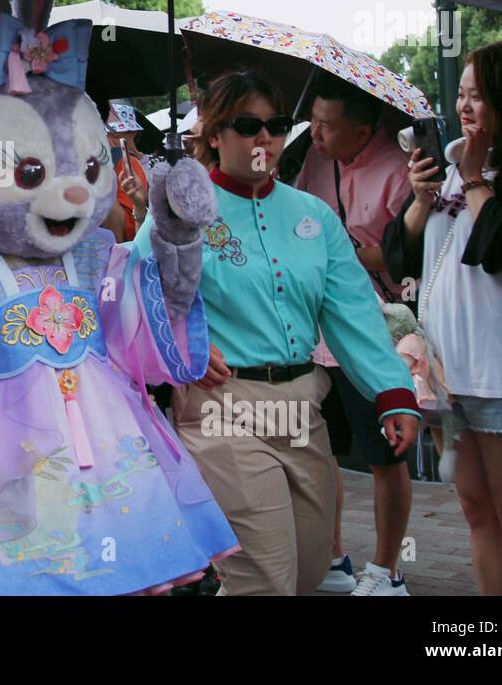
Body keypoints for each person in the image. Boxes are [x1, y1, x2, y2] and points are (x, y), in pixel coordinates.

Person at [170, 69, 420, 596]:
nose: (264, 138)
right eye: (247, 125)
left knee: (309, 572)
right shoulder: (182, 212)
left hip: (304, 408)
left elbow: (353, 310)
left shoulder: (314, 216)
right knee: (264, 577)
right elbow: (140, 299)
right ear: (215, 134)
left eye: (277, 125)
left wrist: (392, 392)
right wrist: (184, 345)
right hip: (222, 409)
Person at [383, 41, 502, 596]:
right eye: (461, 95)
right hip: (450, 376)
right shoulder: (452, 165)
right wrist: (420, 197)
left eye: (479, 97)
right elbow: (401, 258)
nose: (465, 108)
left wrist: (472, 180)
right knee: (477, 512)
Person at [294, 74, 415, 595]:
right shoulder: (315, 160)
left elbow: (405, 255)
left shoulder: (399, 171)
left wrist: (342, 252)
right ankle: (334, 555)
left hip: (375, 328)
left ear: (363, 131)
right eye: (313, 122)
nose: (315, 135)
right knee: (321, 449)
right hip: (318, 329)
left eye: (327, 126)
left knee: (383, 453)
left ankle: (388, 569)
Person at [102, 101, 149, 242]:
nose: (112, 136)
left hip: (127, 241)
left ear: (133, 132)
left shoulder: (133, 163)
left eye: (116, 132)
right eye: (108, 131)